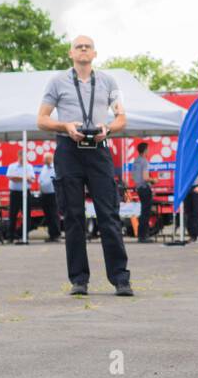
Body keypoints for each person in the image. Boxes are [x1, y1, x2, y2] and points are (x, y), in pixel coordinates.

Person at [36, 35, 132, 296]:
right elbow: (42, 120)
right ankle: (79, 279)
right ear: (71, 53)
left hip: (98, 149)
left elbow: (122, 116)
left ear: (95, 53)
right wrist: (65, 126)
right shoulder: (56, 82)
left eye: (87, 46)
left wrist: (108, 128)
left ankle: (121, 279)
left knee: (109, 215)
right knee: (74, 216)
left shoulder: (109, 82)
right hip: (69, 149)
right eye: (78, 46)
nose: (83, 50)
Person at [5, 154, 30, 242]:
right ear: (18, 156)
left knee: (26, 215)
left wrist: (19, 178)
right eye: (21, 156)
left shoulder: (29, 166)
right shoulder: (12, 166)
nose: (23, 158)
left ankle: (25, 236)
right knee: (12, 214)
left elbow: (31, 179)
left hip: (26, 193)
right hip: (14, 193)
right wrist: (24, 178)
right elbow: (10, 177)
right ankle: (10, 236)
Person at [36, 152, 61, 242]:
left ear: (50, 159)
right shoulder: (44, 168)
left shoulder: (55, 168)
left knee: (54, 215)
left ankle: (57, 235)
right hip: (44, 195)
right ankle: (51, 235)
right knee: (48, 215)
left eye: (44, 158)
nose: (43, 160)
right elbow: (40, 180)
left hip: (53, 194)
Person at [133, 142, 154, 242]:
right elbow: (145, 177)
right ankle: (144, 236)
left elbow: (135, 177)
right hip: (145, 188)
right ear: (145, 150)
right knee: (146, 213)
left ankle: (140, 235)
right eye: (148, 149)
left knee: (142, 212)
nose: (148, 151)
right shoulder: (144, 162)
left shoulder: (136, 161)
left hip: (139, 188)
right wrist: (154, 180)